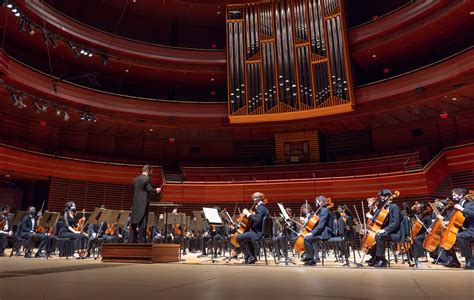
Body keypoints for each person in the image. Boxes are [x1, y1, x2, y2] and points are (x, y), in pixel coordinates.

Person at [130, 165, 161, 243]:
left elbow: (136, 189)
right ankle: (141, 242)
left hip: (135, 204)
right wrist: (156, 190)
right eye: (151, 172)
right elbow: (150, 189)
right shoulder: (147, 179)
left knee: (133, 222)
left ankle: (132, 241)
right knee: (142, 224)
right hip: (143, 205)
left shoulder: (135, 179)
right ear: (148, 171)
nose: (151, 173)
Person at [371, 189, 402, 268]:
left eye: (382, 196)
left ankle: (382, 260)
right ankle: (375, 258)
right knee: (374, 235)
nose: (380, 198)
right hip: (389, 232)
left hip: (396, 233)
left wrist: (384, 230)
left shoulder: (394, 207)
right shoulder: (385, 208)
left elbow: (395, 223)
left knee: (379, 236)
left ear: (387, 197)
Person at [236, 192, 269, 264]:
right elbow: (258, 219)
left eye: (253, 199)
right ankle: (252, 257)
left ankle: (248, 256)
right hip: (260, 232)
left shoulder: (260, 208)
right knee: (247, 237)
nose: (253, 200)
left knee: (238, 237)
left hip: (258, 233)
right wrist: (253, 215)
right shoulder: (264, 208)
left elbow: (257, 220)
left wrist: (248, 214)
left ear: (257, 199)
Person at [302, 195, 335, 266]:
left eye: (316, 202)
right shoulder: (322, 210)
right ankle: (310, 259)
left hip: (326, 233)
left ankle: (311, 260)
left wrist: (312, 233)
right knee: (306, 238)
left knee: (307, 239)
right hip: (322, 232)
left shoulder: (325, 210)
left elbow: (321, 225)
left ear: (320, 202)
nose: (315, 203)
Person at [446, 188, 474, 269]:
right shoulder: (459, 204)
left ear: (461, 195)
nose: (453, 197)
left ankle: (470, 261)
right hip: (466, 228)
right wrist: (448, 222)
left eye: (455, 195)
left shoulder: (470, 204)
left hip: (472, 229)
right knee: (448, 237)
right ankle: (454, 261)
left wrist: (462, 209)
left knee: (460, 236)